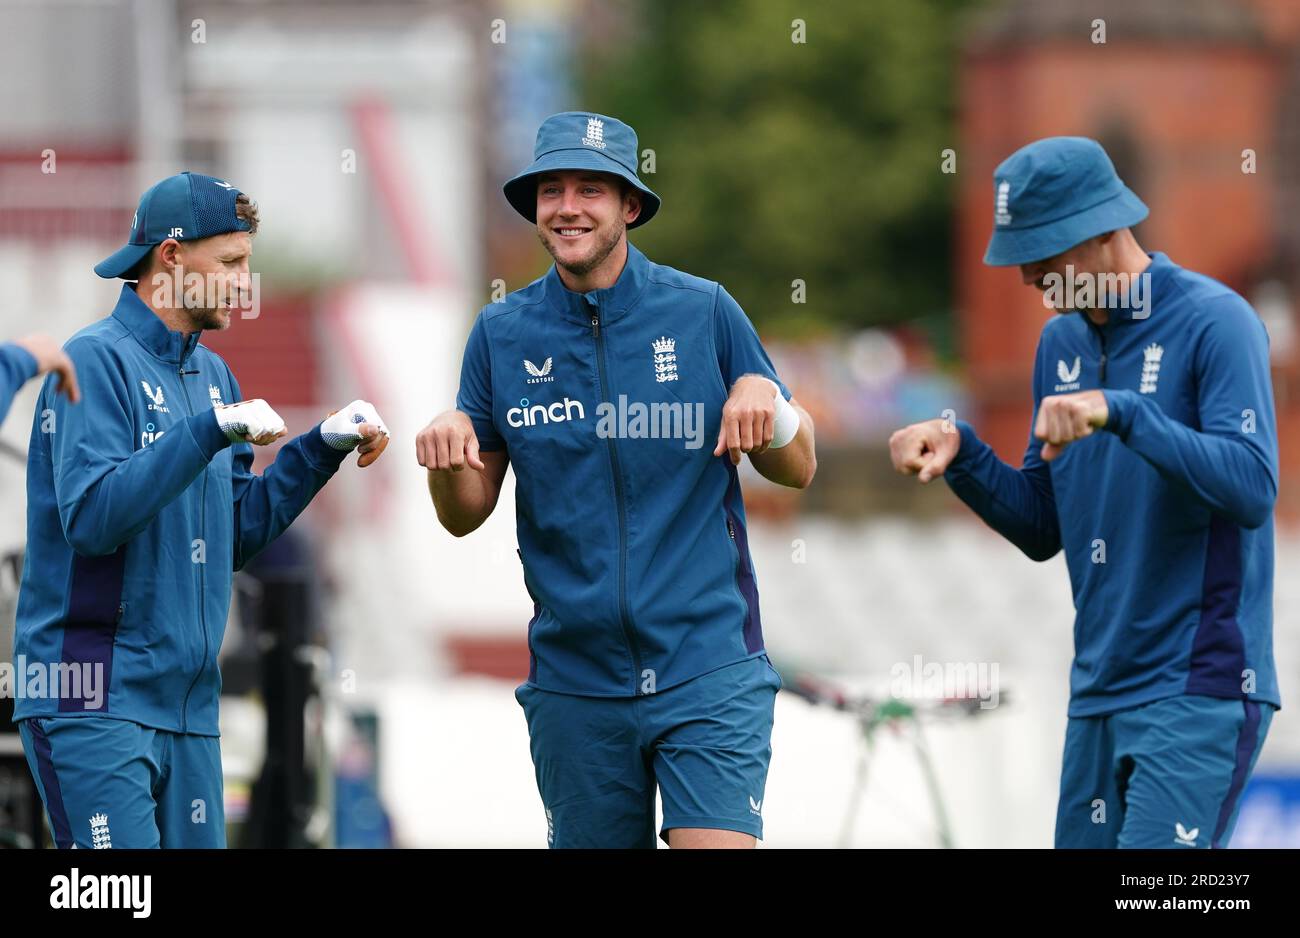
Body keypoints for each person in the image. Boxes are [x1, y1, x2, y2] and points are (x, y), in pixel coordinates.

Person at [416, 112, 816, 848]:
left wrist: (772, 405)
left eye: (591, 189)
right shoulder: (500, 335)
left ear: (629, 206)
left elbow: (799, 468)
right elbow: (464, 514)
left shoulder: (704, 312)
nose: (568, 207)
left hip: (707, 664)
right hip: (576, 684)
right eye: (552, 190)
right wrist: (447, 465)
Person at [889, 137, 1279, 848]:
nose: (1030, 274)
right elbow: (1044, 525)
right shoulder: (1058, 347)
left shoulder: (1216, 322)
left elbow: (1253, 486)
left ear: (1104, 229)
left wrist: (1127, 414)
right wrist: (964, 455)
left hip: (1200, 684)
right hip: (1100, 689)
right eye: (1022, 254)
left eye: (1044, 253)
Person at [14, 171, 390, 848]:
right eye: (231, 263)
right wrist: (207, 431)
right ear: (171, 257)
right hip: (91, 701)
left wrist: (321, 448)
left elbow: (233, 537)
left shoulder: (214, 377)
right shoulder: (94, 361)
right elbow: (92, 520)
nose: (247, 284)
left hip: (189, 712)